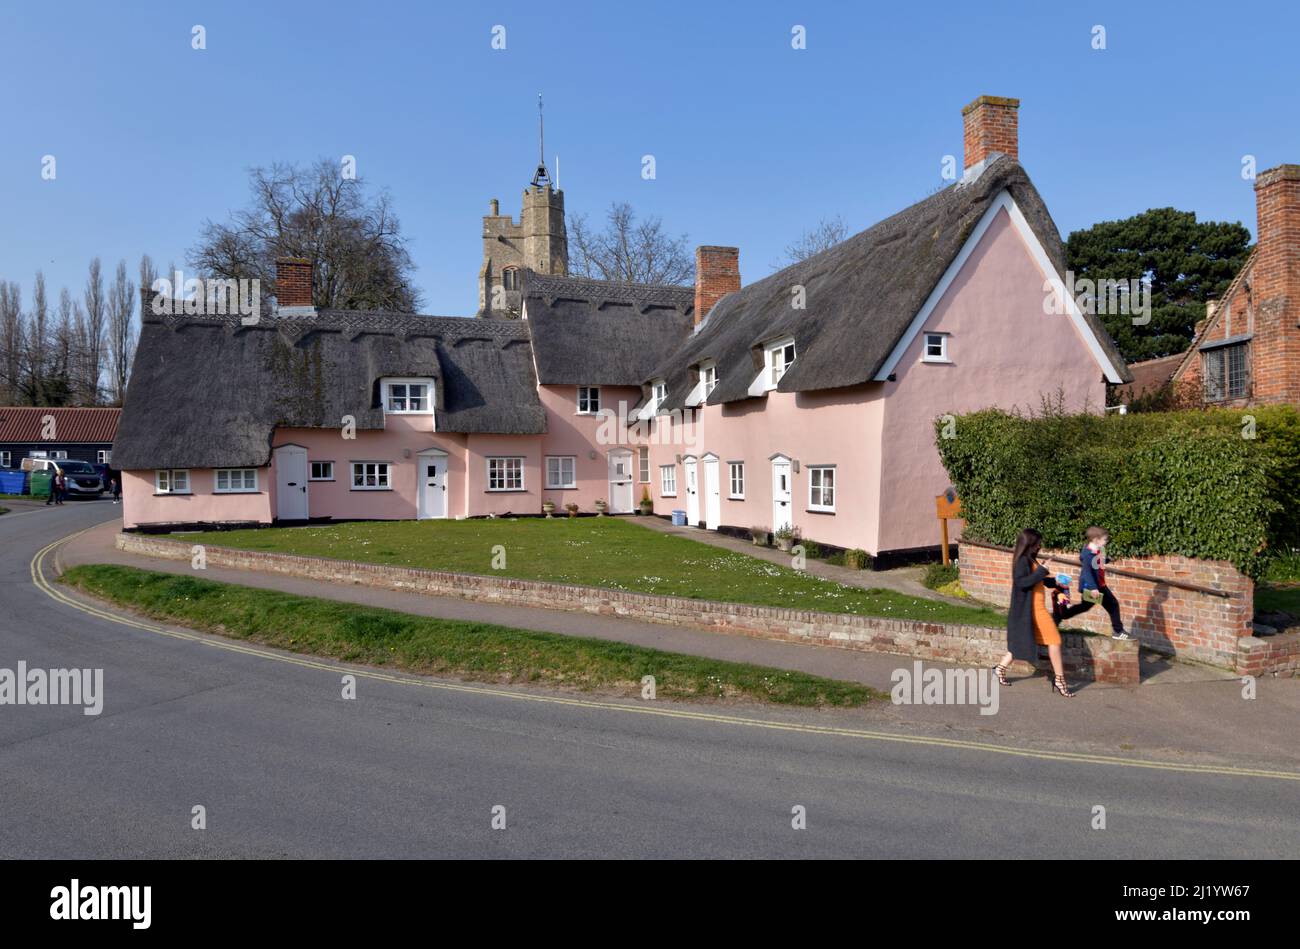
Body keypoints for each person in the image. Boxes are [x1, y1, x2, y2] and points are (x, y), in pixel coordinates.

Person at [993, 528, 1074, 697]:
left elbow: (1039, 580)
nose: (1040, 545)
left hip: (1037, 609)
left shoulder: (1030, 559)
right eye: (1038, 543)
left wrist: (1055, 581)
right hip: (1032, 610)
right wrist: (1042, 570)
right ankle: (1059, 680)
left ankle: (999, 669)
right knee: (1055, 640)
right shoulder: (1022, 561)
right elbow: (1022, 582)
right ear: (1031, 543)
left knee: (1021, 641)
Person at [1079, 526, 1130, 640]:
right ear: (1096, 539)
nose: (1106, 542)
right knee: (1112, 605)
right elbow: (1087, 572)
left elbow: (1097, 561)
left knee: (1085, 607)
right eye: (1105, 540)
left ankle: (1118, 631)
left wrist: (1107, 560)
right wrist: (1093, 588)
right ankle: (1118, 631)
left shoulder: (1096, 550)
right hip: (1094, 587)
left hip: (1099, 585)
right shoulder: (1088, 554)